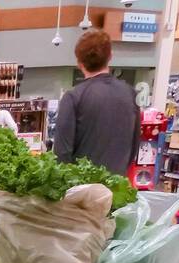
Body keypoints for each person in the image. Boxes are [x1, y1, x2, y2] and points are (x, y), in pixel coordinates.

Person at [53, 30, 140, 175]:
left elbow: (62, 154)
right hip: (117, 189)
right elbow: (134, 144)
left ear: (79, 63)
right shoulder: (130, 94)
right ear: (110, 56)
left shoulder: (73, 97)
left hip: (83, 190)